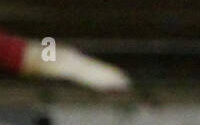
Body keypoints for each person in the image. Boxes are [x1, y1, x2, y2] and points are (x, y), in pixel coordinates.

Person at [0, 28, 130, 91]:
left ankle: (116, 82)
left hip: (25, 54)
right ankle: (116, 82)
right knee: (67, 61)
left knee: (66, 59)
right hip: (25, 57)